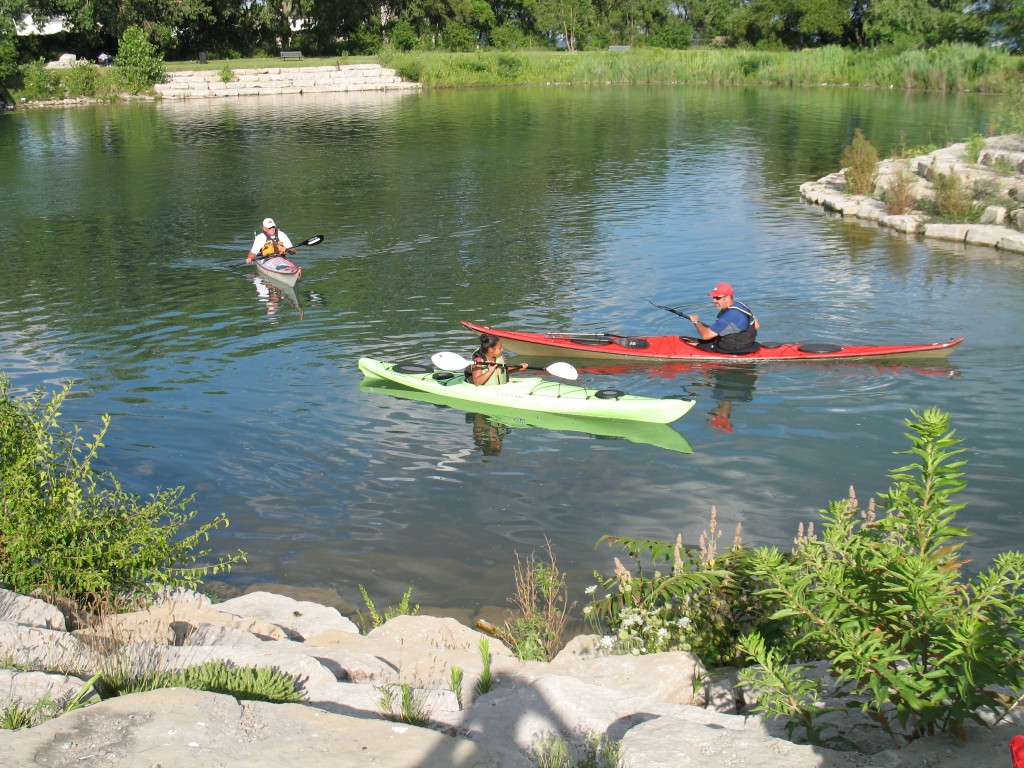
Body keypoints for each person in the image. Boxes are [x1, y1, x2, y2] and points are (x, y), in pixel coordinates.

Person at [686, 282, 761, 355]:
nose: (714, 301)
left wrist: (696, 322)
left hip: (735, 349)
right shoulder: (741, 305)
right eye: (713, 297)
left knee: (695, 344)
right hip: (749, 345)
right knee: (699, 341)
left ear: (727, 297)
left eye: (718, 298)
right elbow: (756, 325)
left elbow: (706, 336)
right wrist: (729, 331)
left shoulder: (728, 315)